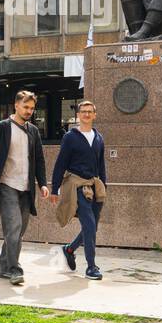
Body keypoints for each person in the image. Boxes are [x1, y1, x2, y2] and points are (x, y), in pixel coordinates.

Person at [0, 92, 48, 285]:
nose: (29, 111)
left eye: (32, 108)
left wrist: (42, 183)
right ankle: (15, 269)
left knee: (17, 230)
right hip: (6, 185)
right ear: (16, 105)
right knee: (14, 226)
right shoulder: (1, 128)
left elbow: (39, 159)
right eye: (26, 107)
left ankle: (4, 268)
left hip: (26, 187)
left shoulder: (33, 131)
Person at [53, 100, 108, 280]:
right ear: (78, 115)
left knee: (92, 227)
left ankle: (69, 249)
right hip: (77, 185)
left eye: (89, 111)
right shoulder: (70, 137)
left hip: (95, 186)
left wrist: (103, 187)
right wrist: (55, 189)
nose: (86, 114)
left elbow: (101, 166)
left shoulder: (99, 137)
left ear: (94, 115)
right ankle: (91, 267)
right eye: (83, 111)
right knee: (90, 225)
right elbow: (60, 164)